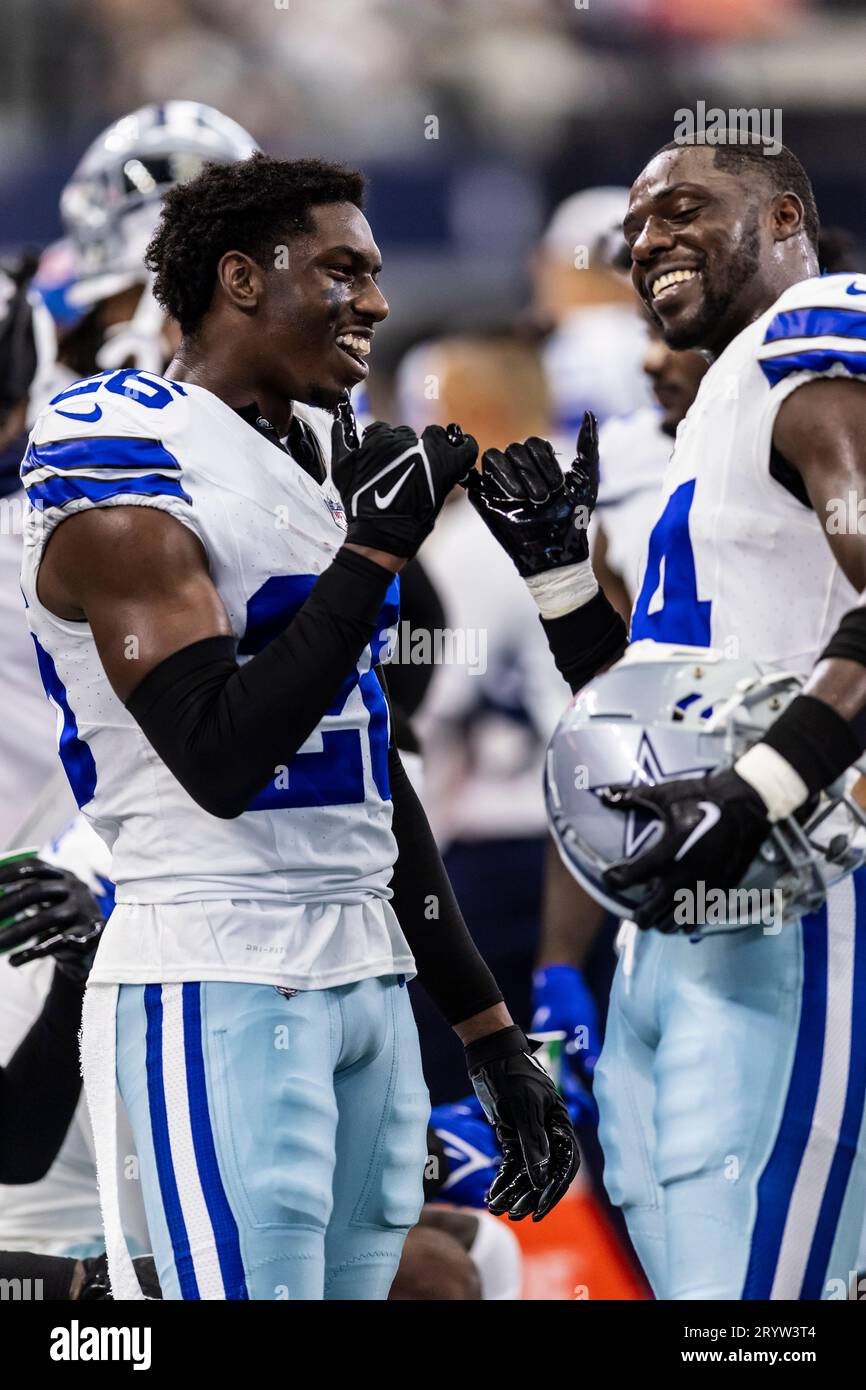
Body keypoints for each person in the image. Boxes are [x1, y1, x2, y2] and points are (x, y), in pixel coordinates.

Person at [20, 153, 576, 1301]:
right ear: (240, 277)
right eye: (342, 271)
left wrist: (484, 1029)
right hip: (219, 962)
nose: (374, 301)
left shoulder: (316, 459)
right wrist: (370, 554)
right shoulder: (120, 452)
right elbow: (218, 754)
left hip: (364, 965)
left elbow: (371, 779)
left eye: (373, 273)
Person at [464, 135, 866, 1300]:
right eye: (635, 230)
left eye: (685, 209)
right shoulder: (718, 407)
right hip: (680, 915)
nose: (649, 243)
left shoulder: (814, 334)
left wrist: (759, 791)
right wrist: (559, 585)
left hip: (787, 898)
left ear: (784, 213)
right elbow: (645, 704)